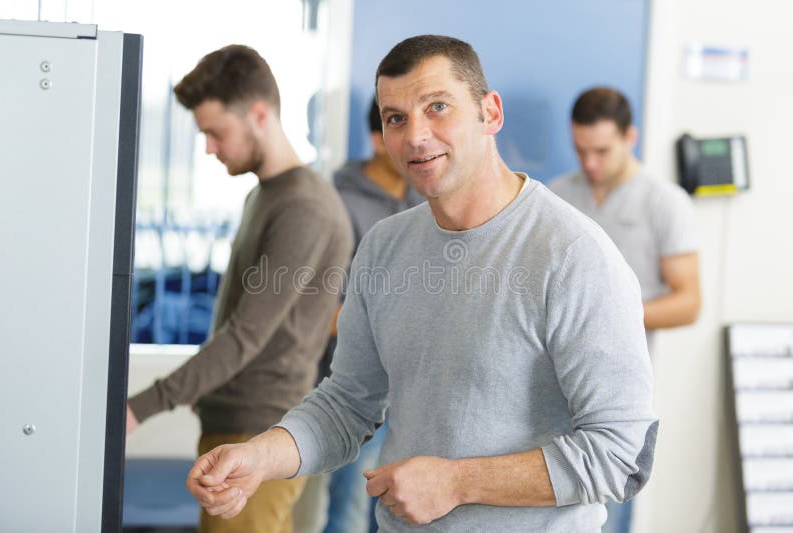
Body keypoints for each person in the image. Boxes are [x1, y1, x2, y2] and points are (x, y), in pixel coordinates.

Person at [186, 35, 658, 532]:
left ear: (490, 114)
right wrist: (262, 456)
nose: (416, 136)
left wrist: (457, 482)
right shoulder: (383, 247)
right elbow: (347, 404)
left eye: (437, 107)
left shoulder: (574, 255)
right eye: (396, 118)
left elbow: (622, 454)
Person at [126, 44, 353, 533]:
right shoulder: (266, 195)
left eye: (215, 132)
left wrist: (138, 408)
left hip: (258, 433)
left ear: (258, 114)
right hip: (237, 425)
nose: (209, 147)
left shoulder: (304, 208)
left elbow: (245, 336)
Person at [549, 87, 701, 533]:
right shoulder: (556, 195)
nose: (590, 163)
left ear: (629, 136)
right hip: (551, 396)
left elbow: (689, 302)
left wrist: (611, 313)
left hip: (618, 398)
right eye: (581, 151)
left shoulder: (664, 202)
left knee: (609, 512)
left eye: (602, 151)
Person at [324, 99, 424, 533]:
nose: (416, 142)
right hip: (361, 393)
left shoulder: (425, 198)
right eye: (397, 126)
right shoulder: (338, 204)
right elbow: (322, 310)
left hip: (417, 394)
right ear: (375, 139)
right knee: (348, 512)